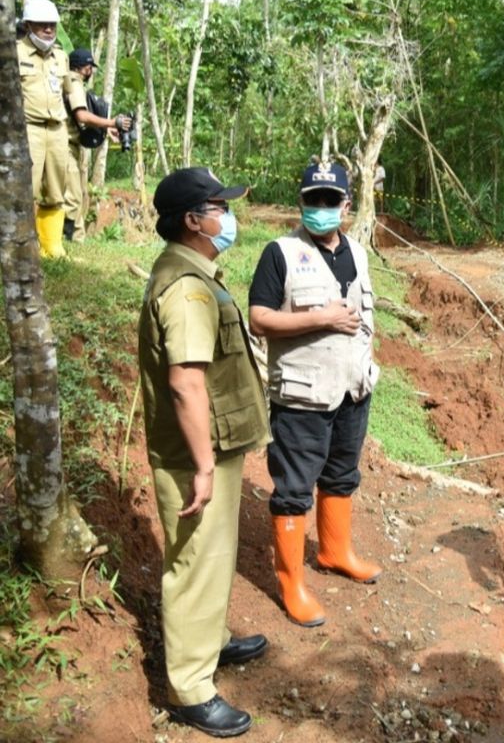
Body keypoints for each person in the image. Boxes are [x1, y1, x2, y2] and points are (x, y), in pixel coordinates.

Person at [138, 167, 270, 738]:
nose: (228, 216)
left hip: (212, 442)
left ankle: (210, 644)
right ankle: (190, 687)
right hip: (197, 451)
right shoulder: (188, 288)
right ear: (193, 221)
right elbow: (186, 382)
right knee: (196, 564)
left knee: (213, 556)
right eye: (220, 206)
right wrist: (203, 466)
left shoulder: (191, 270)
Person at [248, 161, 382, 628]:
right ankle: (291, 583)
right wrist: (320, 319)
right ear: (301, 202)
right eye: (313, 199)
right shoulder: (280, 253)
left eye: (330, 200)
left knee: (342, 474)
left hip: (352, 389)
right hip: (302, 396)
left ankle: (334, 550)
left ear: (347, 204)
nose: (321, 208)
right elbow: (260, 319)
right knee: (293, 489)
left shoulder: (358, 253)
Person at [17, 0, 71, 258]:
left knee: (57, 186)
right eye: (41, 25)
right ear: (28, 25)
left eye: (52, 24)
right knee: (26, 187)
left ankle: (52, 245)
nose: (48, 29)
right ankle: (24, 246)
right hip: (29, 128)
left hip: (58, 129)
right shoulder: (12, 53)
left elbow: (71, 95)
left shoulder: (61, 57)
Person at [62, 48, 131, 241]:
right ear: (83, 67)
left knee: (74, 194)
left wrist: (105, 129)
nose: (92, 71)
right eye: (90, 67)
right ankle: (73, 240)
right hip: (65, 145)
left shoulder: (71, 82)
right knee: (73, 197)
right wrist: (112, 122)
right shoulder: (74, 82)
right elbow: (82, 115)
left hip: (70, 144)